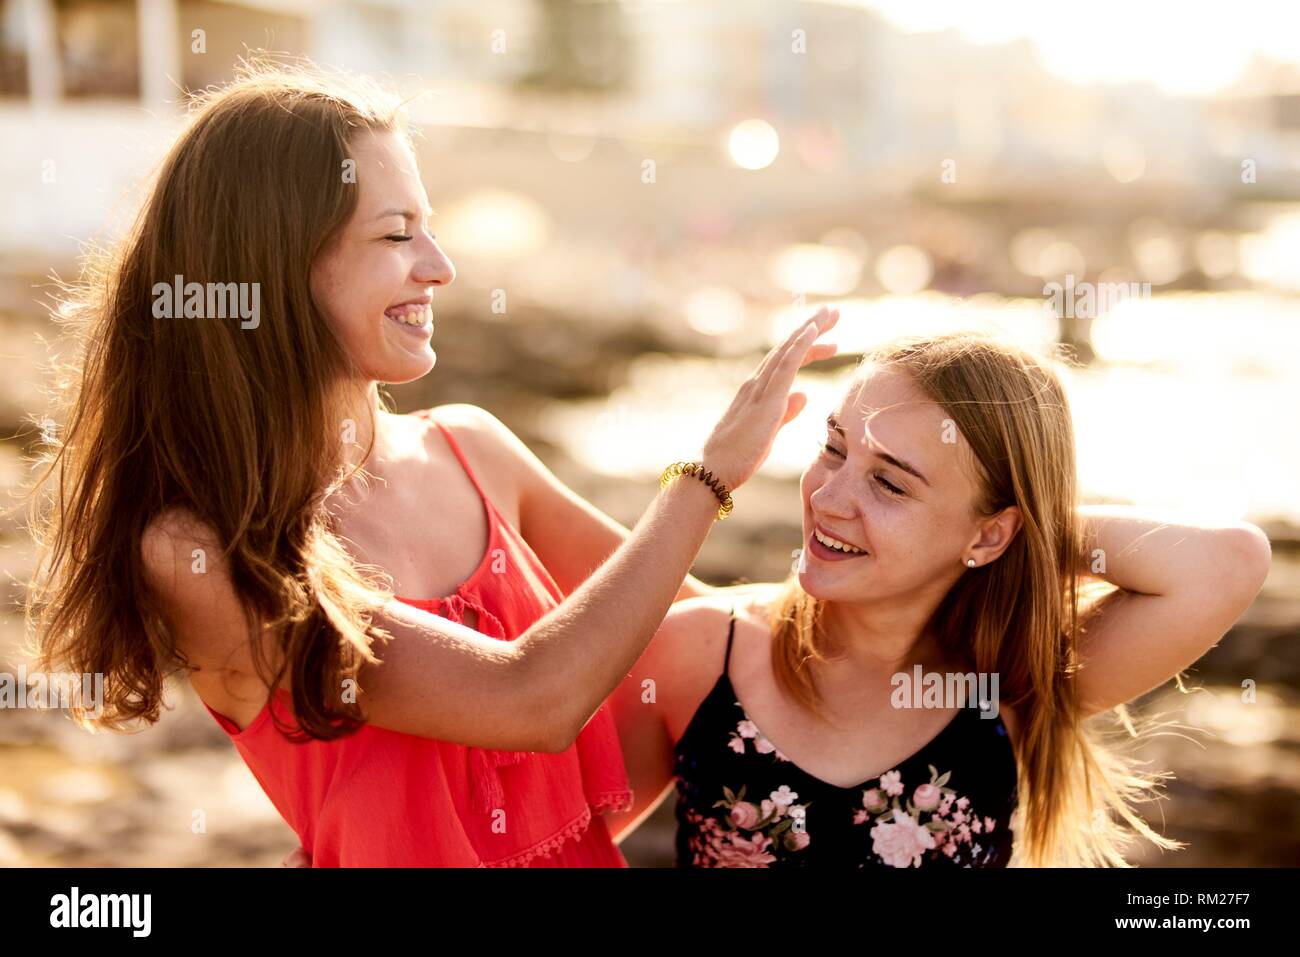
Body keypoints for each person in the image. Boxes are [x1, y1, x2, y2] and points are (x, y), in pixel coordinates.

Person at [26, 58, 839, 867]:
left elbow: (701, 626)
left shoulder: (471, 447)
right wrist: (708, 477)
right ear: (274, 268)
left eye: (430, 227)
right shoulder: (199, 546)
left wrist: (911, 569)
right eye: (395, 234)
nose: (440, 267)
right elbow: (530, 699)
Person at [605, 332, 1273, 867]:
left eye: (890, 485)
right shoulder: (698, 649)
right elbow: (557, 846)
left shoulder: (1010, 680)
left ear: (990, 531)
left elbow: (1229, 562)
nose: (829, 499)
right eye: (834, 449)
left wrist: (1021, 537)